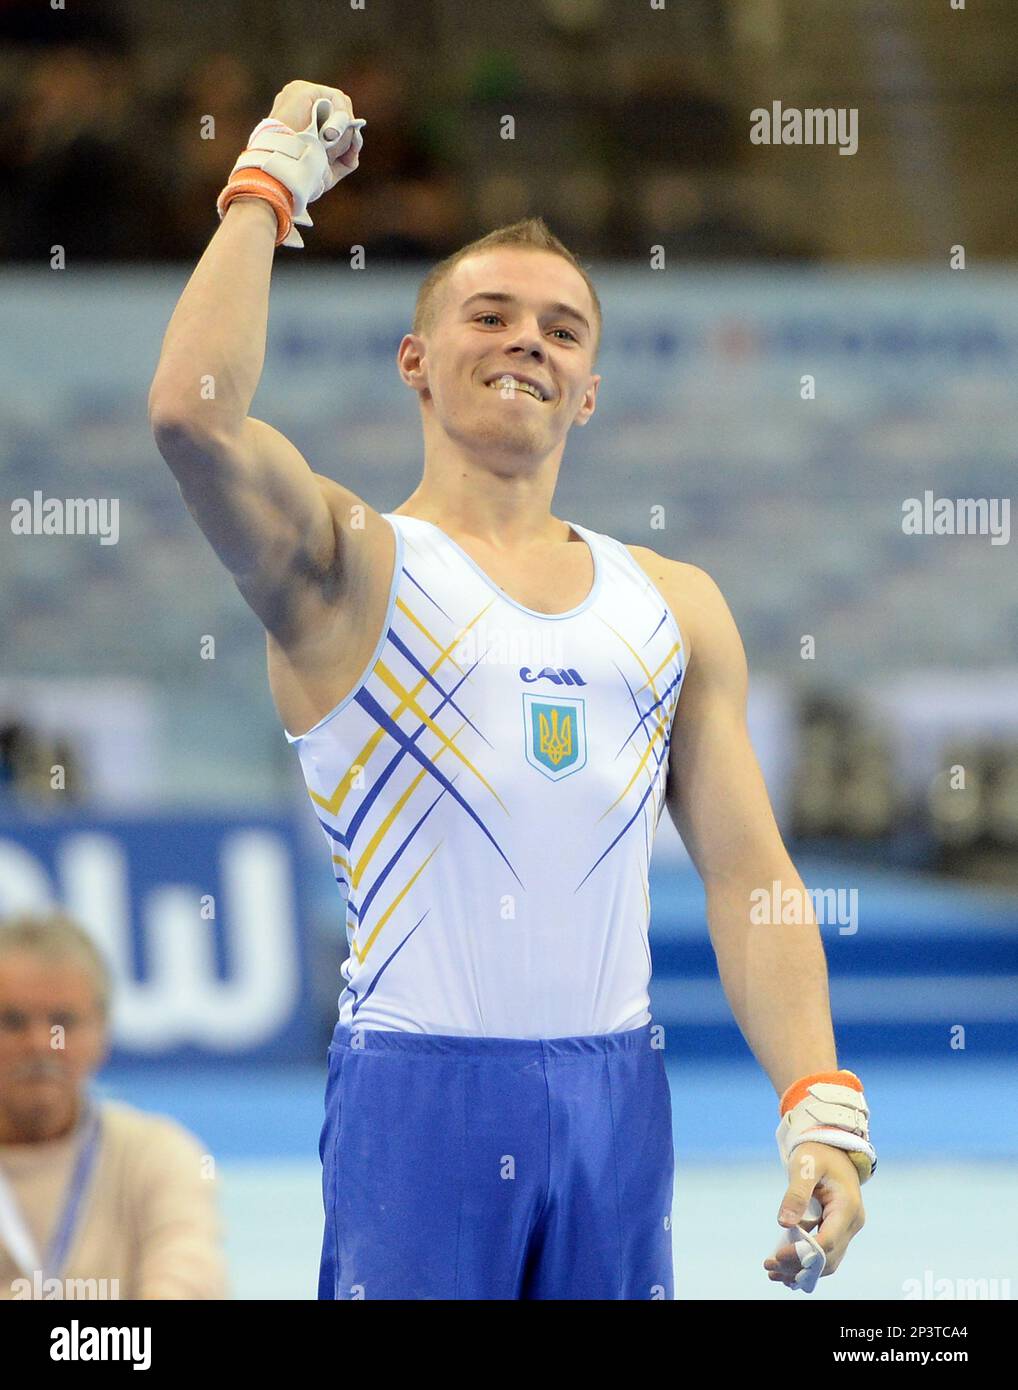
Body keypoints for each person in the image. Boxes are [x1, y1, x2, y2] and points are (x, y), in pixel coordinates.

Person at [148, 80, 876, 1300]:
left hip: (618, 1101)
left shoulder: (674, 605)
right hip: (417, 1095)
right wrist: (268, 186)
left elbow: (752, 876)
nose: (528, 339)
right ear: (415, 362)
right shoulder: (345, 564)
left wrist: (820, 1106)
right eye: (489, 315)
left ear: (588, 391)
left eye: (563, 328)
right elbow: (192, 418)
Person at [0, 912, 228, 1300]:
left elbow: (191, 1281)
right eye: (12, 1021)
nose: (41, 1043)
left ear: (101, 1030)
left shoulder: (158, 1156)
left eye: (63, 1021)